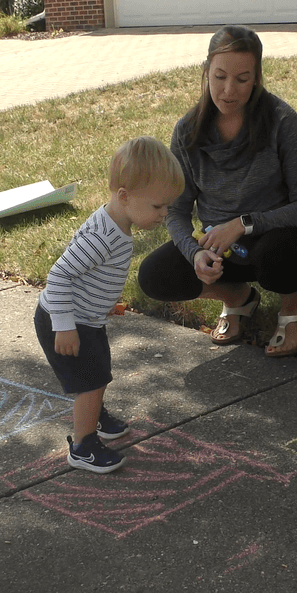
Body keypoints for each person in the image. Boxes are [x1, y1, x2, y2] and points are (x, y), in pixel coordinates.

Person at [137, 25, 297, 358]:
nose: (228, 90)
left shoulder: (282, 120)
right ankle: (238, 299)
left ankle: (291, 310)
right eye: (220, 76)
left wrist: (241, 224)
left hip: (278, 238)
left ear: (256, 79)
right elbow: (177, 210)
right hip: (222, 251)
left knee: (282, 256)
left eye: (242, 79)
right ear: (206, 72)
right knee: (155, 276)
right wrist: (195, 253)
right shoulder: (186, 130)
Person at [35, 136, 185, 473]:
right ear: (124, 196)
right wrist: (64, 325)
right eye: (158, 207)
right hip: (68, 322)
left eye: (167, 207)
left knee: (97, 375)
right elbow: (58, 276)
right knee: (90, 381)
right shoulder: (104, 237)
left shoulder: (117, 220)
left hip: (85, 318)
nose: (164, 215)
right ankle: (83, 446)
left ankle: (95, 415)